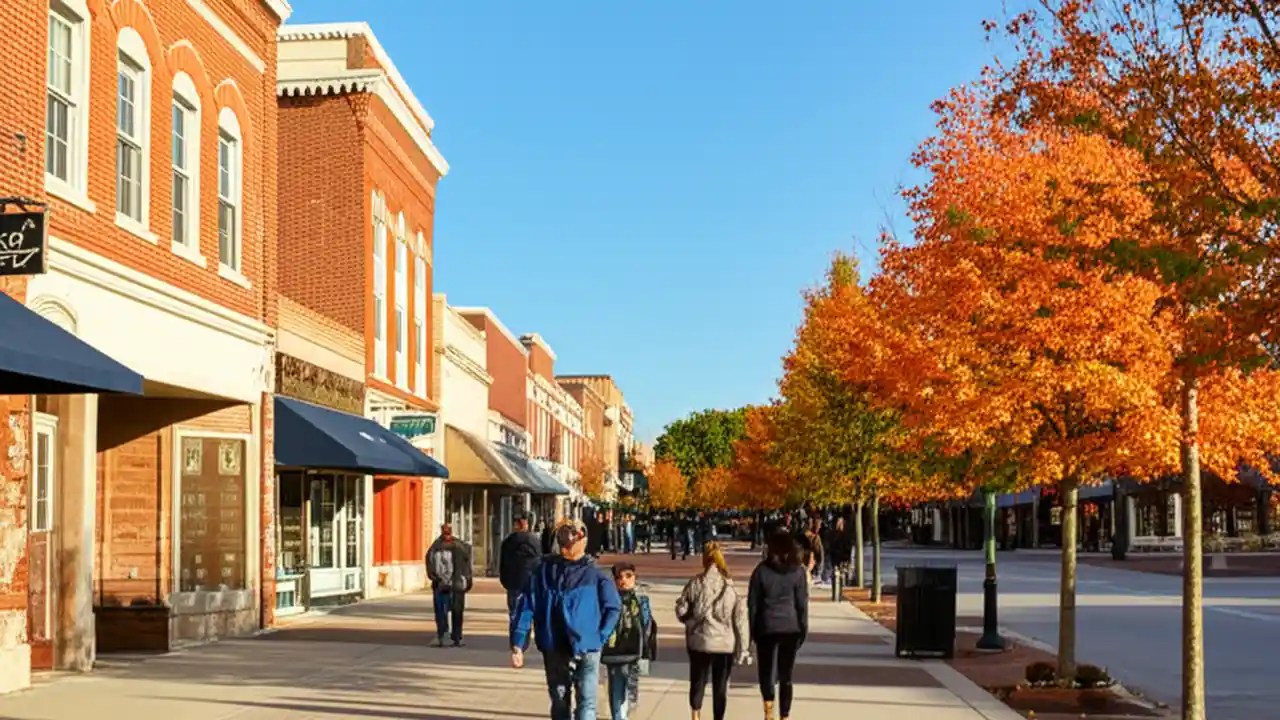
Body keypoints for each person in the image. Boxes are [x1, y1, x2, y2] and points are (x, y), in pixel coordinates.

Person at [511, 519, 622, 720]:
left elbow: (613, 607)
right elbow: (526, 605)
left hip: (587, 645)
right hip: (554, 644)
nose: (567, 546)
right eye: (564, 540)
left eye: (572, 540)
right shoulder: (542, 573)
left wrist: (600, 635)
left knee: (587, 703)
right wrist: (519, 642)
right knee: (560, 700)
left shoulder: (596, 575)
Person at [676, 542, 751, 720]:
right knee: (720, 686)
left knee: (697, 682)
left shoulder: (694, 584)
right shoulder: (730, 589)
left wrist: (689, 620)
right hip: (724, 644)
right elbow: (740, 620)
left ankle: (696, 715)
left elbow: (681, 611)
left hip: (699, 641)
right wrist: (744, 647)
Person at [749, 531, 809, 720]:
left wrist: (753, 630)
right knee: (786, 676)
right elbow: (802, 604)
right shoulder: (798, 572)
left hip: (767, 627)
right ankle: (785, 714)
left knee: (767, 674)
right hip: (791, 627)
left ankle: (768, 711)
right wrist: (803, 628)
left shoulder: (761, 571)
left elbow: (753, 604)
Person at [601, 561, 657, 720]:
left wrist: (647, 651)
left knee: (631, 690)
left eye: (628, 576)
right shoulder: (609, 599)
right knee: (616, 687)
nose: (623, 580)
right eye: (619, 577)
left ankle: (624, 715)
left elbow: (646, 626)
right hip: (614, 651)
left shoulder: (641, 600)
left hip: (635, 651)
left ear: (635, 577)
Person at [426, 523, 473, 647]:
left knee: (454, 612)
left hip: (455, 584)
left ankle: (455, 636)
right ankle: (444, 635)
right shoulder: (437, 547)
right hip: (443, 584)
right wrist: (434, 577)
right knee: (443, 612)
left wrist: (467, 580)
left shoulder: (458, 547)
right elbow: (430, 564)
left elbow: (466, 566)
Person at [501, 511, 543, 615]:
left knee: (514, 612)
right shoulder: (535, 541)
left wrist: (505, 581)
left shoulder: (508, 541)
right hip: (530, 582)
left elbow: (502, 564)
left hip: (513, 582)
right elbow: (539, 561)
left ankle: (515, 628)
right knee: (528, 611)